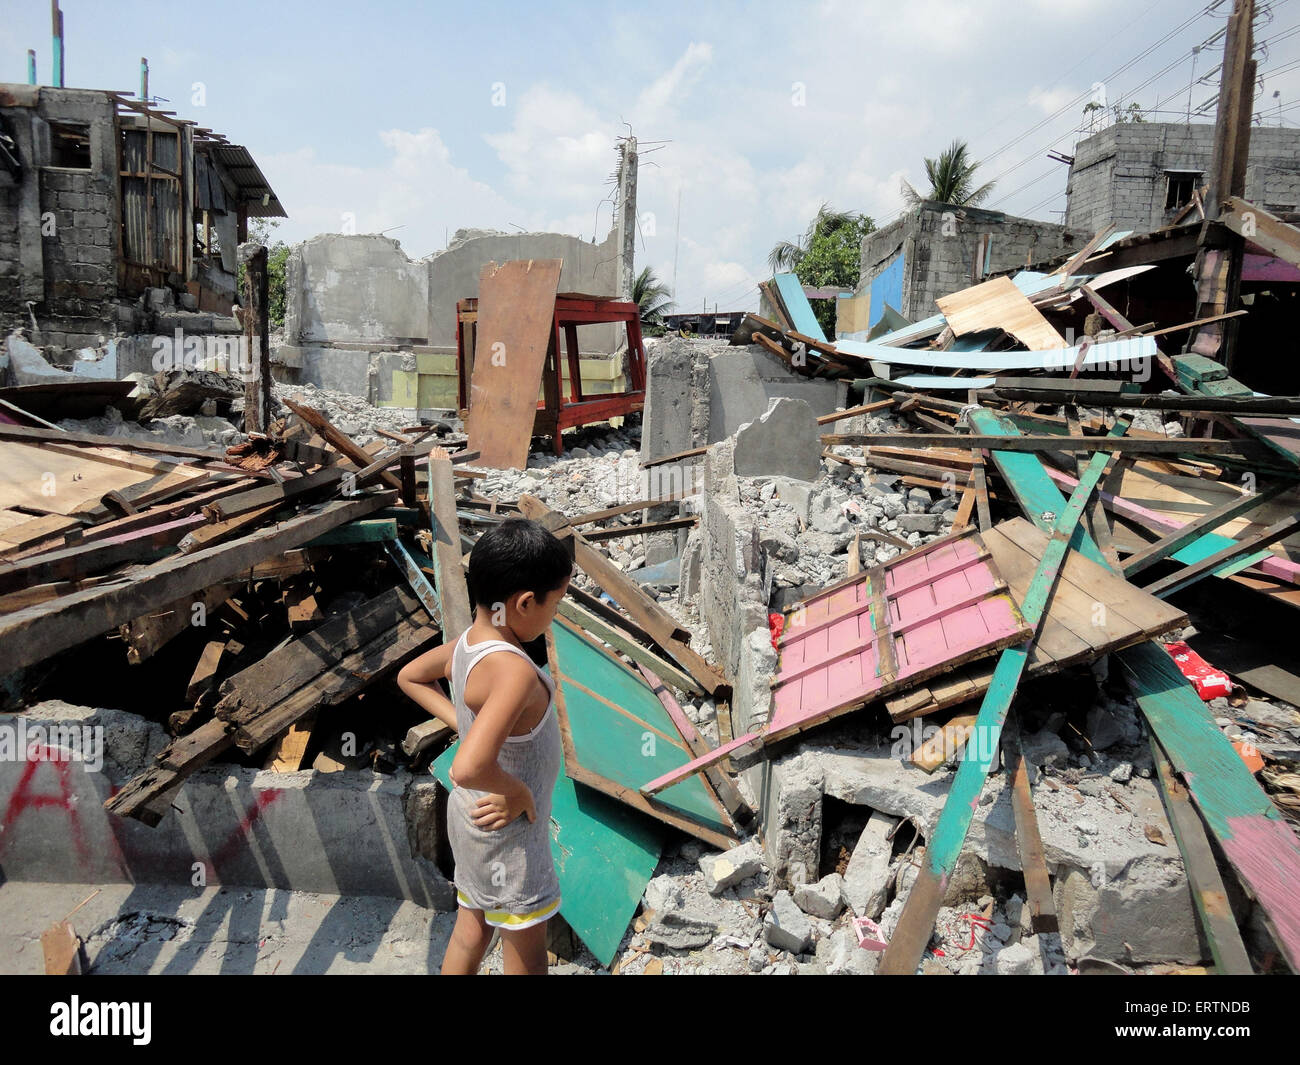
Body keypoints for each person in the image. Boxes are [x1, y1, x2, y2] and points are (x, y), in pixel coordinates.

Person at [397, 517, 573, 975]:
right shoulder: (513, 671)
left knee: (472, 927)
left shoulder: (469, 643)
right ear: (526, 602)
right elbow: (468, 767)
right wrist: (517, 792)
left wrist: (467, 725)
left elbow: (410, 676)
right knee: (525, 946)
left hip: (469, 819)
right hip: (506, 830)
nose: (556, 614)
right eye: (556, 604)